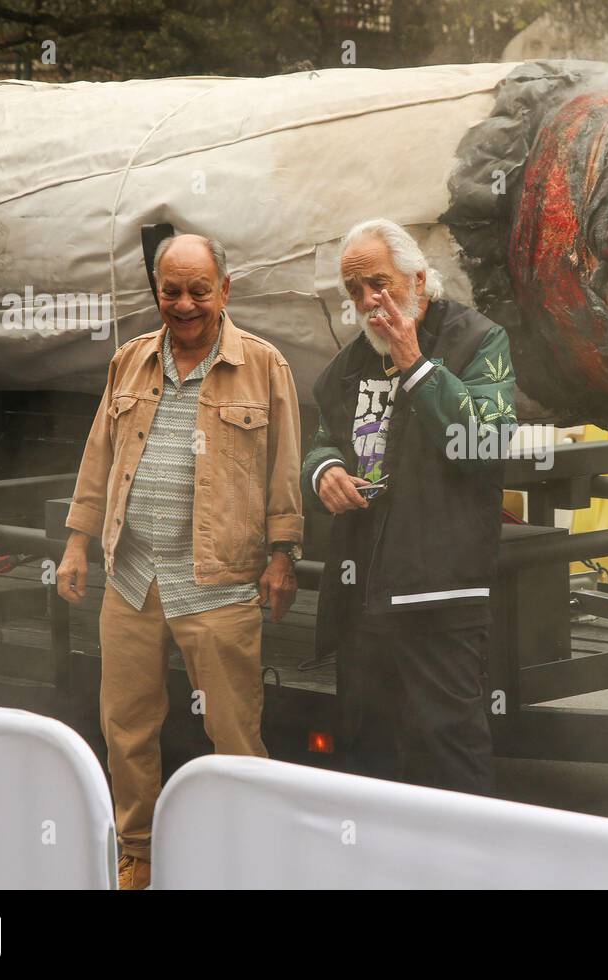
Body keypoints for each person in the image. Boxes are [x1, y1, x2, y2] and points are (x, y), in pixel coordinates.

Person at [56, 234, 304, 889]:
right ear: (156, 292)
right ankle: (137, 852)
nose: (185, 304)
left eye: (200, 290)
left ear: (226, 289)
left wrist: (283, 556)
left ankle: (248, 854)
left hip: (219, 582)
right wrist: (78, 543)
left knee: (235, 732)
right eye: (172, 291)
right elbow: (97, 459)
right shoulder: (129, 362)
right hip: (133, 578)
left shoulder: (264, 366)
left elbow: (284, 470)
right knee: (128, 726)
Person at [303, 218, 517, 796]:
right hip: (362, 594)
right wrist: (325, 471)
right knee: (365, 752)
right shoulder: (353, 362)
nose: (370, 301)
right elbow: (324, 435)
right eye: (355, 291)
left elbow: (488, 446)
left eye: (380, 284)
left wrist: (416, 364)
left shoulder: (478, 341)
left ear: (419, 278)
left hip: (437, 595)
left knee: (446, 750)